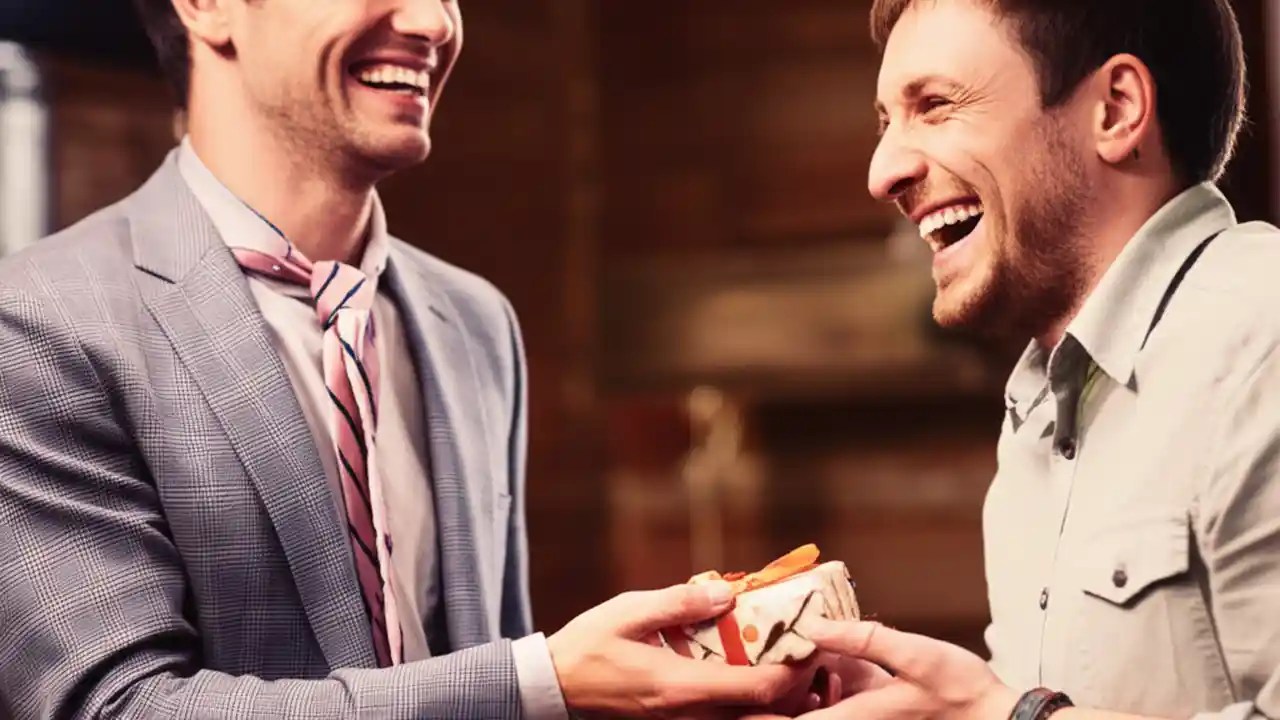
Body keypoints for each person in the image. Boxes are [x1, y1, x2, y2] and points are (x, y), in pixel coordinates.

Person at [0, 1, 818, 717]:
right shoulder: (41, 322)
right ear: (208, 5)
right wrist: (540, 682)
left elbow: (489, 671)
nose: (435, 22)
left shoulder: (473, 321)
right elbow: (119, 708)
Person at [754, 1, 1280, 719]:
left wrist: (1005, 717)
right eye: (887, 122)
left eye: (935, 105)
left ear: (1117, 110)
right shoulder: (1039, 412)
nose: (883, 172)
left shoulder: (1263, 339)